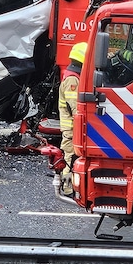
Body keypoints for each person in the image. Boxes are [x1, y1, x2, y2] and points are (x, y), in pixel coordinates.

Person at [58, 41, 86, 198]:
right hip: (71, 128)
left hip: (73, 127)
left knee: (73, 157)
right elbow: (75, 107)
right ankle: (67, 189)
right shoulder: (72, 80)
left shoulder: (73, 76)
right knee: (70, 158)